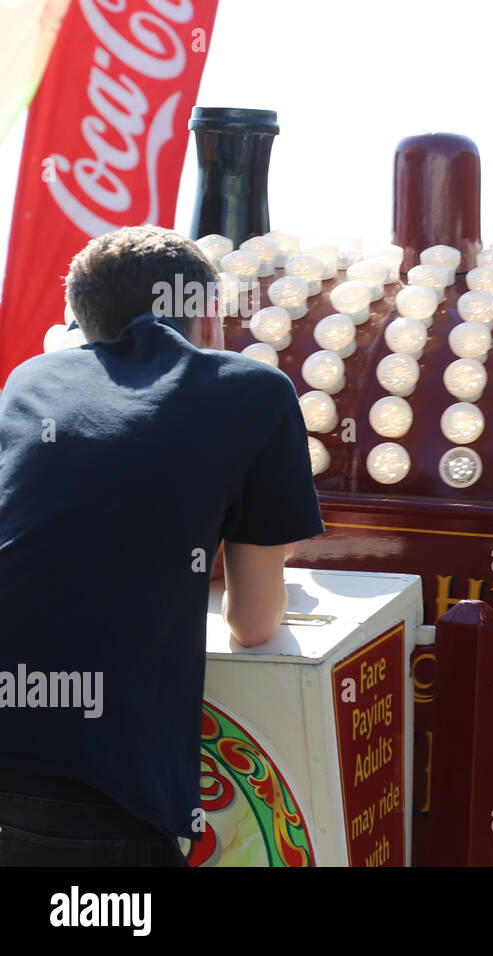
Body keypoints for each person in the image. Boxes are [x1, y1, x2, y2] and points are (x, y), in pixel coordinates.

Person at [0, 225, 325, 865]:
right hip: (97, 791)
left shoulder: (28, 381)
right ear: (207, 316)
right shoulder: (254, 391)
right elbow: (255, 623)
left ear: (79, 324)